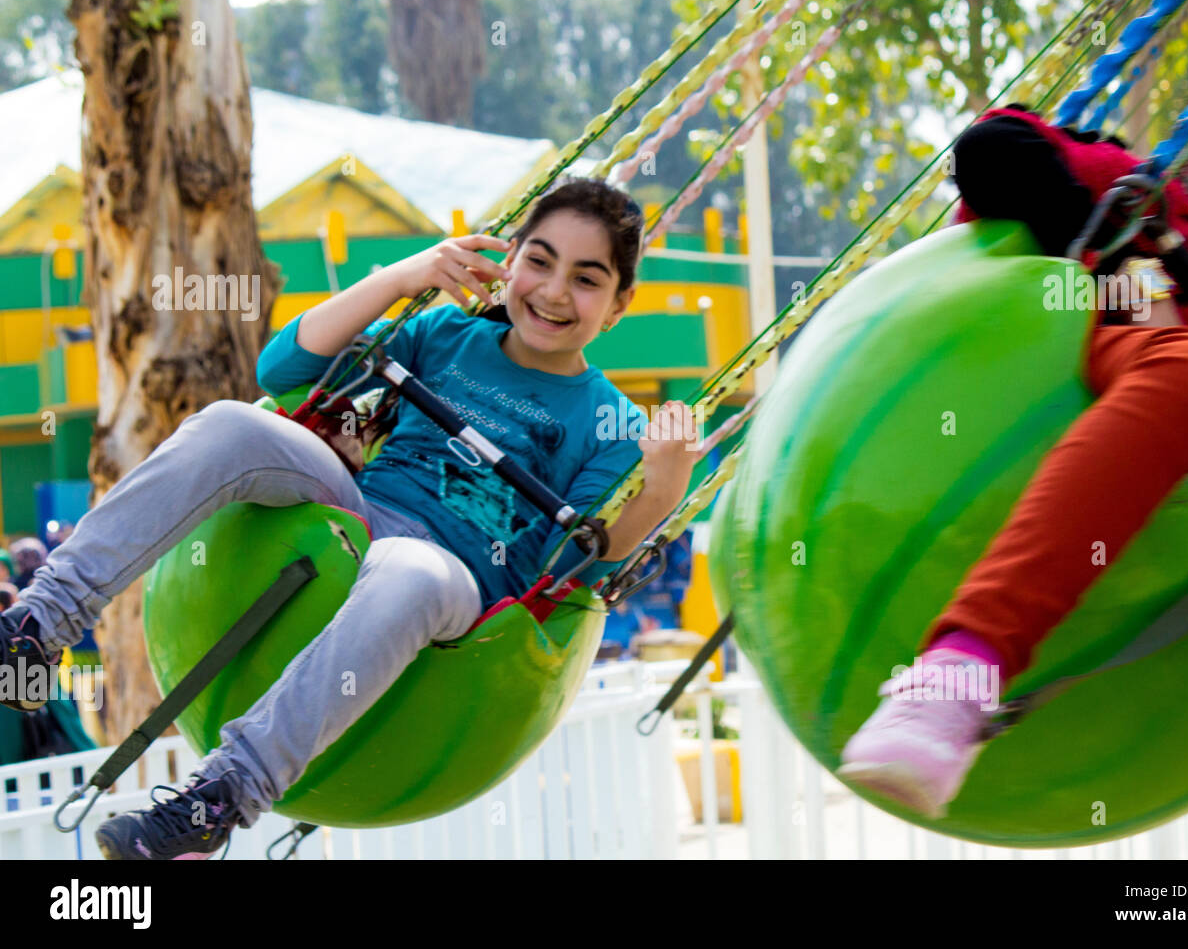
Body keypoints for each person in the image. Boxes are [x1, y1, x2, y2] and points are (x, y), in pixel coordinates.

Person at [0, 177, 697, 858]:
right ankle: (39, 623)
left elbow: (572, 568)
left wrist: (659, 493)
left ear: (617, 305)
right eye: (538, 260)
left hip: (457, 580)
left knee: (408, 569)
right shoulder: (447, 333)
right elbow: (284, 371)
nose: (551, 291)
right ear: (508, 260)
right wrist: (405, 276)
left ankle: (217, 799)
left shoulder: (610, 424)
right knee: (229, 425)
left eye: (586, 278)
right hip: (359, 508)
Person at [839, 39, 1188, 819]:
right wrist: (1133, 276)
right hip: (1025, 446)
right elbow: (994, 148)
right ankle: (955, 675)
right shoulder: (1139, 201)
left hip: (1167, 588)